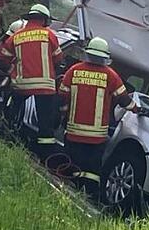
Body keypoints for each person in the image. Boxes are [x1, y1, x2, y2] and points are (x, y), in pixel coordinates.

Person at [58, 37, 136, 194]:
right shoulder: (111, 76)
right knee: (92, 172)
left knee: (71, 166)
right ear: (105, 57)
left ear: (88, 54)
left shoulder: (74, 71)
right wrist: (138, 109)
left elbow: (62, 95)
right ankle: (88, 194)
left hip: (74, 133)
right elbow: (124, 100)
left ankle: (66, 190)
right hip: (96, 137)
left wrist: (63, 114)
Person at [0, 4, 64, 157]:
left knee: (13, 112)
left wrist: (11, 70)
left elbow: (2, 58)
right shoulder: (49, 35)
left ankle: (9, 135)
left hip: (22, 85)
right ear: (44, 19)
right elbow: (58, 59)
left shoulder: (17, 36)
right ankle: (44, 153)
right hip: (45, 87)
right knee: (45, 123)